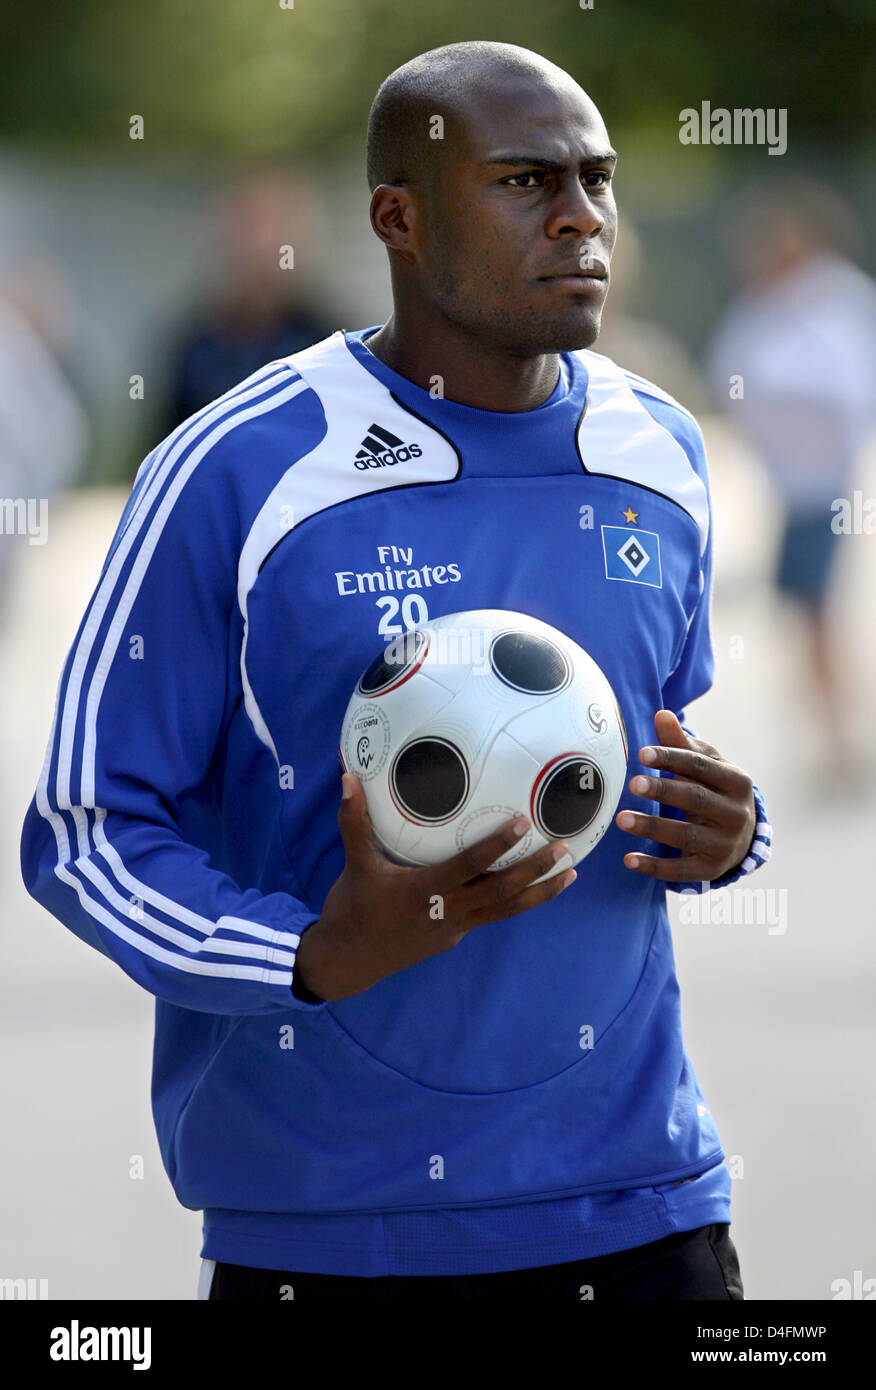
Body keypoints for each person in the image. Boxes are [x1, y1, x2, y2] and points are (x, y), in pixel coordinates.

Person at [21, 41, 771, 1302]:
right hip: (334, 1235)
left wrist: (727, 833)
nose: (582, 216)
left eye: (598, 179)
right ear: (397, 217)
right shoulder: (241, 470)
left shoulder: (662, 449)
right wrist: (311, 953)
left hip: (647, 1209)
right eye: (528, 181)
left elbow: (642, 755)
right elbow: (84, 830)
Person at [706, 177, 876, 788]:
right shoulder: (763, 307)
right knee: (805, 615)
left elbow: (848, 392)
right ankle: (830, 736)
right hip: (787, 486)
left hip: (822, 486)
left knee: (817, 614)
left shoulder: (835, 301)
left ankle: (841, 738)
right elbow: (733, 377)